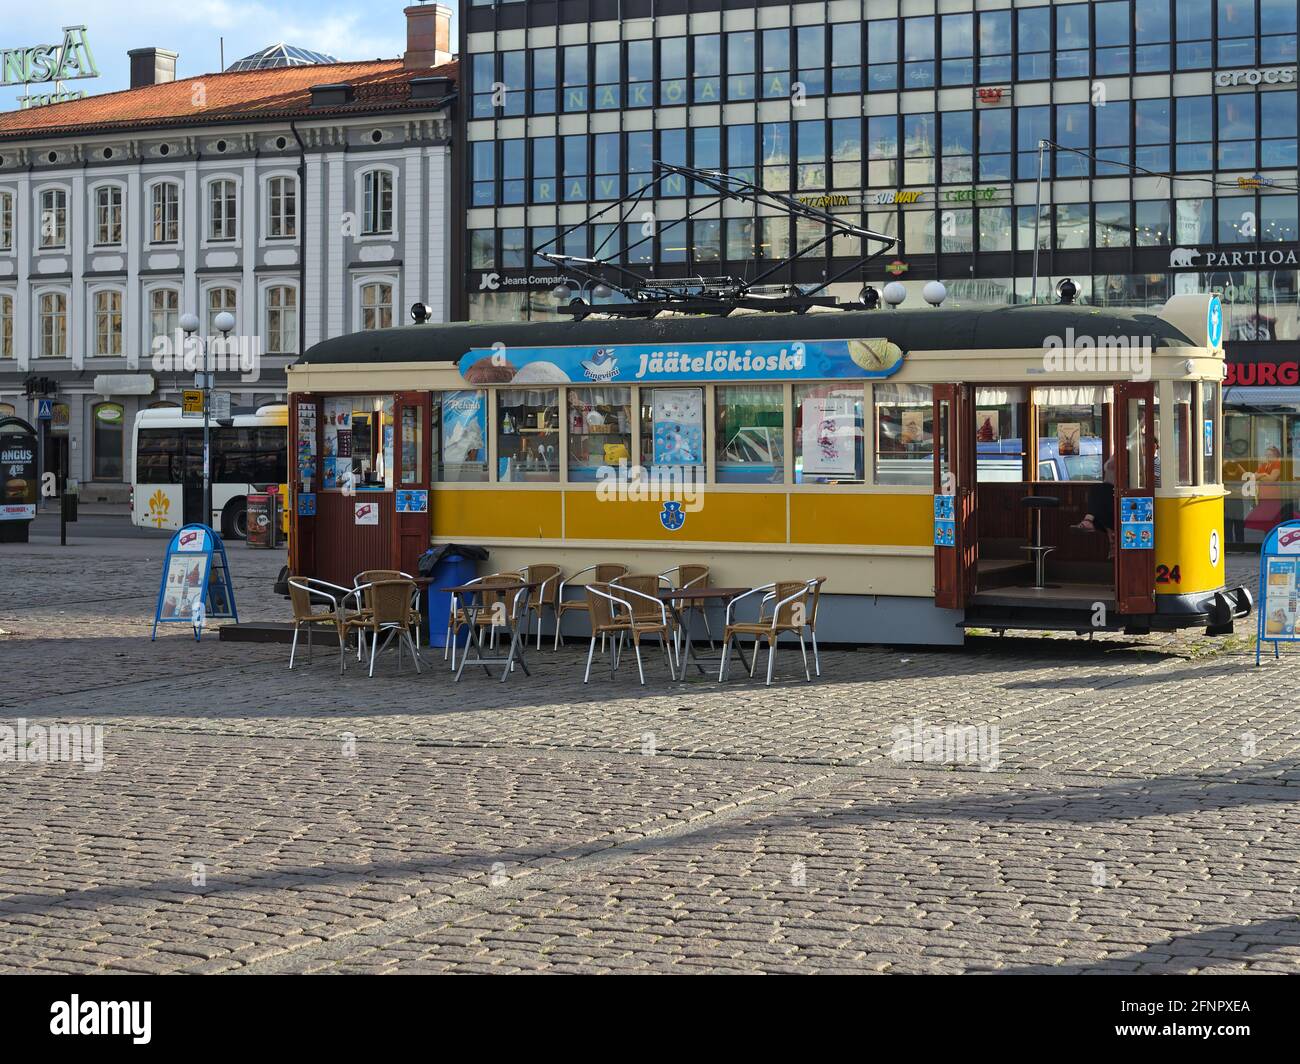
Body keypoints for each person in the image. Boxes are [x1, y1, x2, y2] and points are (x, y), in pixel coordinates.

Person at [1071, 453, 1117, 559]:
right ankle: (1112, 539)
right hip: (1110, 499)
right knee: (1099, 496)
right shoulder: (1121, 451)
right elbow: (1111, 465)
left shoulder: (1139, 457)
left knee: (1098, 490)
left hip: (1124, 496)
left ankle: (1110, 539)